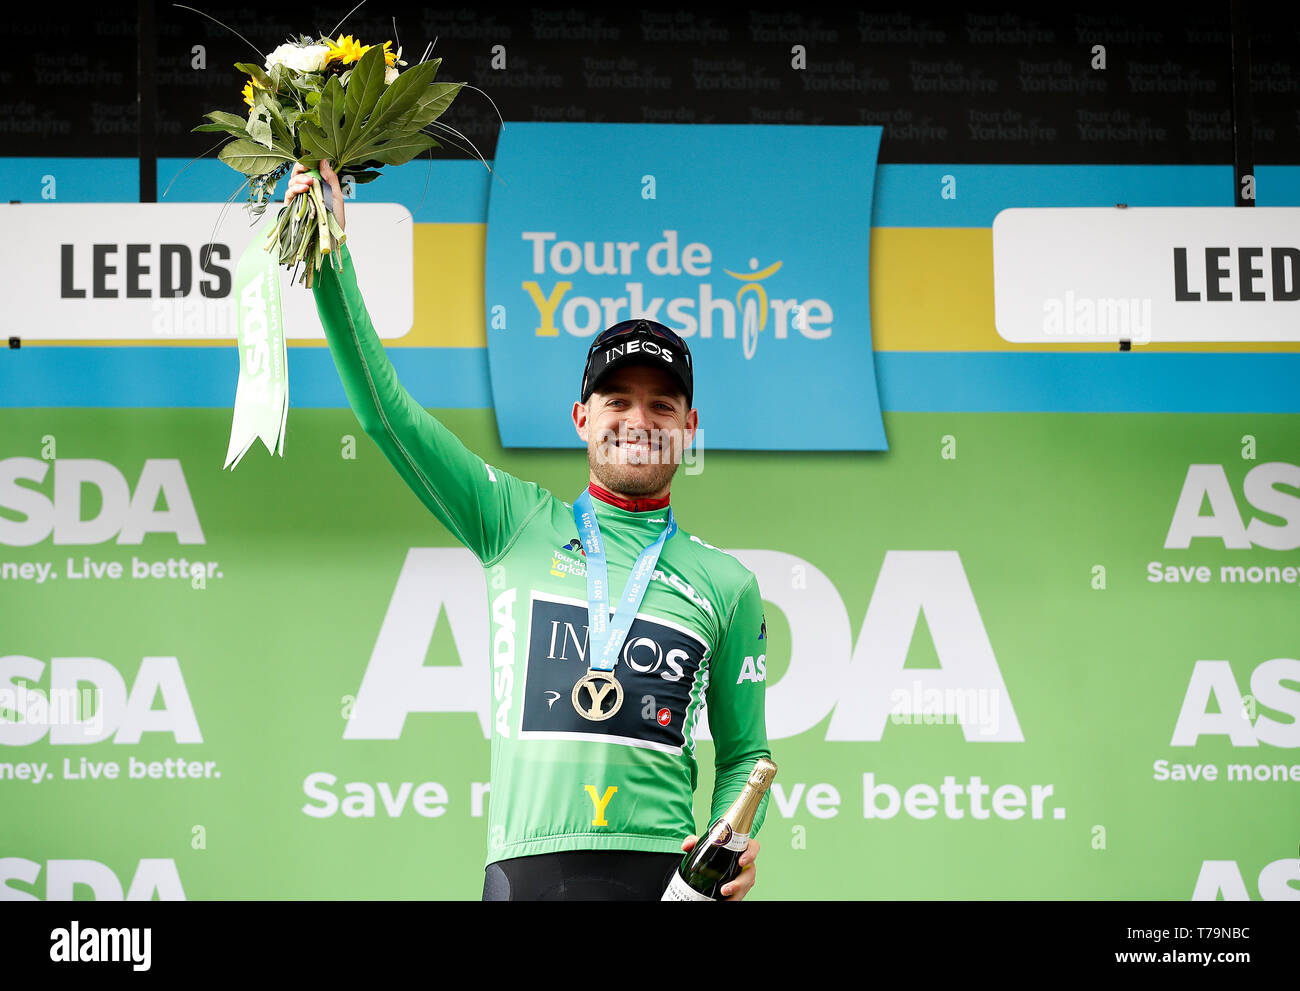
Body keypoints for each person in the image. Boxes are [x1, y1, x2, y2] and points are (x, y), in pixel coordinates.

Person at [288, 160, 771, 901]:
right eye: (617, 399)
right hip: (527, 871)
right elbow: (386, 417)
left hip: (665, 879)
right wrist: (329, 258)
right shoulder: (515, 522)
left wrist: (727, 850)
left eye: (663, 405)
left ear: (689, 428)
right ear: (582, 418)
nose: (638, 420)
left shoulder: (728, 584)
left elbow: (746, 755)